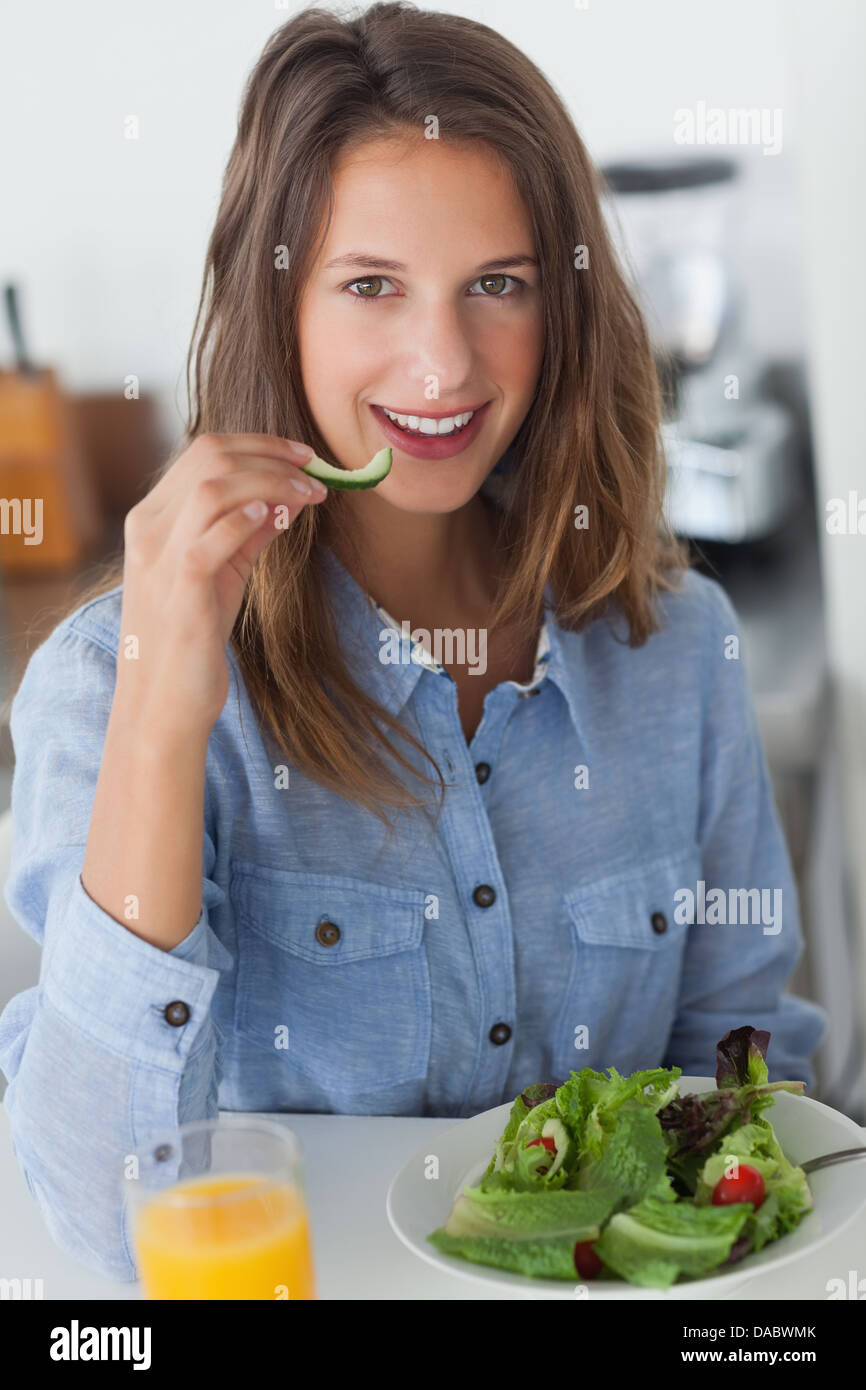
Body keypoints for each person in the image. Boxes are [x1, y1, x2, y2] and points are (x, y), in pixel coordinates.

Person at [0, 1, 826, 1283]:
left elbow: (747, 1077)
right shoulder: (110, 685)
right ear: (272, 306)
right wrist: (165, 716)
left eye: (494, 284)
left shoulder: (677, 651)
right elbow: (111, 1229)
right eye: (370, 285)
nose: (440, 364)